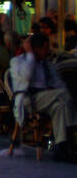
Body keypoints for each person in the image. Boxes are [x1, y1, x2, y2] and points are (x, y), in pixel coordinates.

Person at [10, 32, 77, 161]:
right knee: (62, 94)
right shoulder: (17, 62)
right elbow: (25, 77)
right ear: (36, 48)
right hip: (27, 99)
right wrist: (30, 55)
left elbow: (59, 84)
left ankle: (61, 147)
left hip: (46, 99)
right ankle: (72, 133)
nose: (47, 51)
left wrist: (54, 91)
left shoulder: (46, 65)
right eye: (44, 48)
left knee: (60, 105)